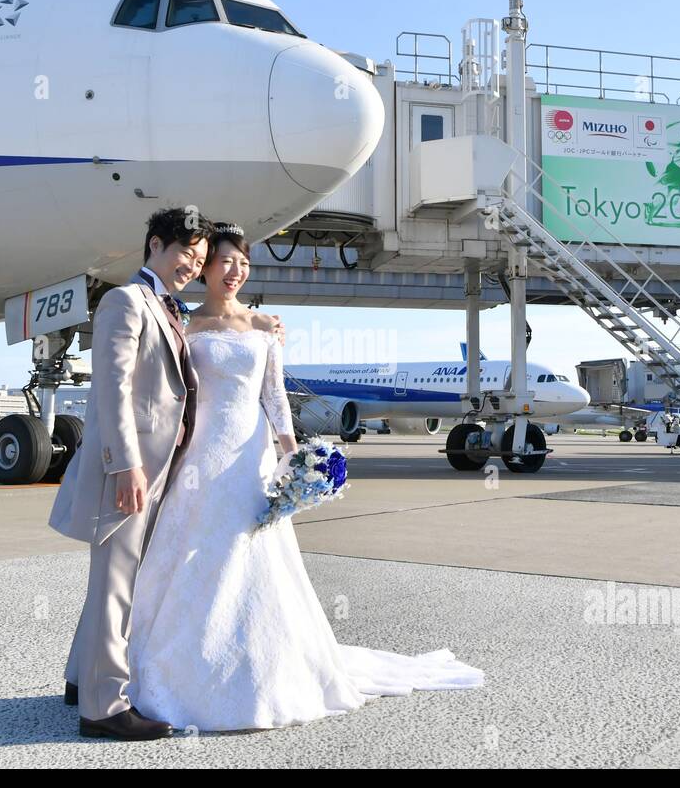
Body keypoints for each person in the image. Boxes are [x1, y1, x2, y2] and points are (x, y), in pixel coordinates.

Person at [121, 223, 485, 731]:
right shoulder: (183, 323)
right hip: (199, 456)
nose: (236, 271)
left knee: (254, 554)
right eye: (226, 262)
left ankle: (260, 669)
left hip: (251, 458)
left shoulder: (265, 326)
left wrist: (295, 456)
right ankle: (169, 671)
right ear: (204, 267)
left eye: (243, 264)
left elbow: (274, 397)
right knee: (190, 551)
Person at [48, 208, 282, 741]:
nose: (191, 264)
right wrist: (126, 464)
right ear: (154, 245)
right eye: (185, 253)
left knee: (121, 576)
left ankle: (80, 679)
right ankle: (104, 709)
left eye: (198, 257)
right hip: (130, 468)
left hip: (163, 468)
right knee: (115, 582)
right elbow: (111, 391)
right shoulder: (126, 301)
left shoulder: (166, 306)